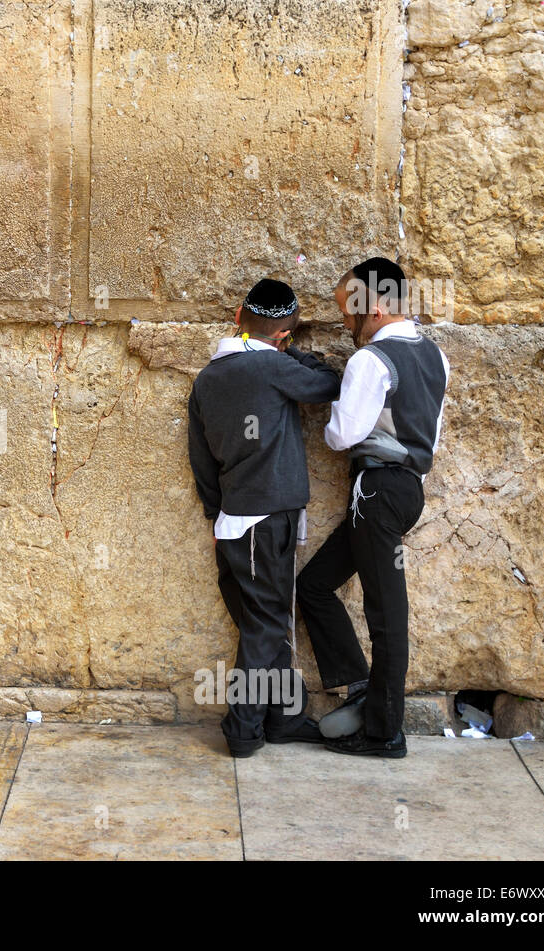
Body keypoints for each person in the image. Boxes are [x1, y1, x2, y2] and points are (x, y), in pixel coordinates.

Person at [296, 258, 450, 758]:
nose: (345, 324)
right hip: (404, 492)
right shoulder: (435, 357)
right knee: (313, 585)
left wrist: (330, 410)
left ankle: (385, 732)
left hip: (376, 493)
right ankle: (362, 688)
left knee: (386, 615)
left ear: (376, 308)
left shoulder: (371, 361)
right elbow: (429, 435)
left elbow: (342, 435)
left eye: (348, 313)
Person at [188, 279, 342, 757]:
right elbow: (332, 385)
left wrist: (216, 517)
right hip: (265, 517)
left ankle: (284, 716)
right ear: (285, 334)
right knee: (266, 626)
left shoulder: (208, 378)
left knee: (265, 622)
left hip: (235, 520)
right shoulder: (275, 365)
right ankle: (242, 730)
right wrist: (293, 353)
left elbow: (200, 459)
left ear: (238, 315)